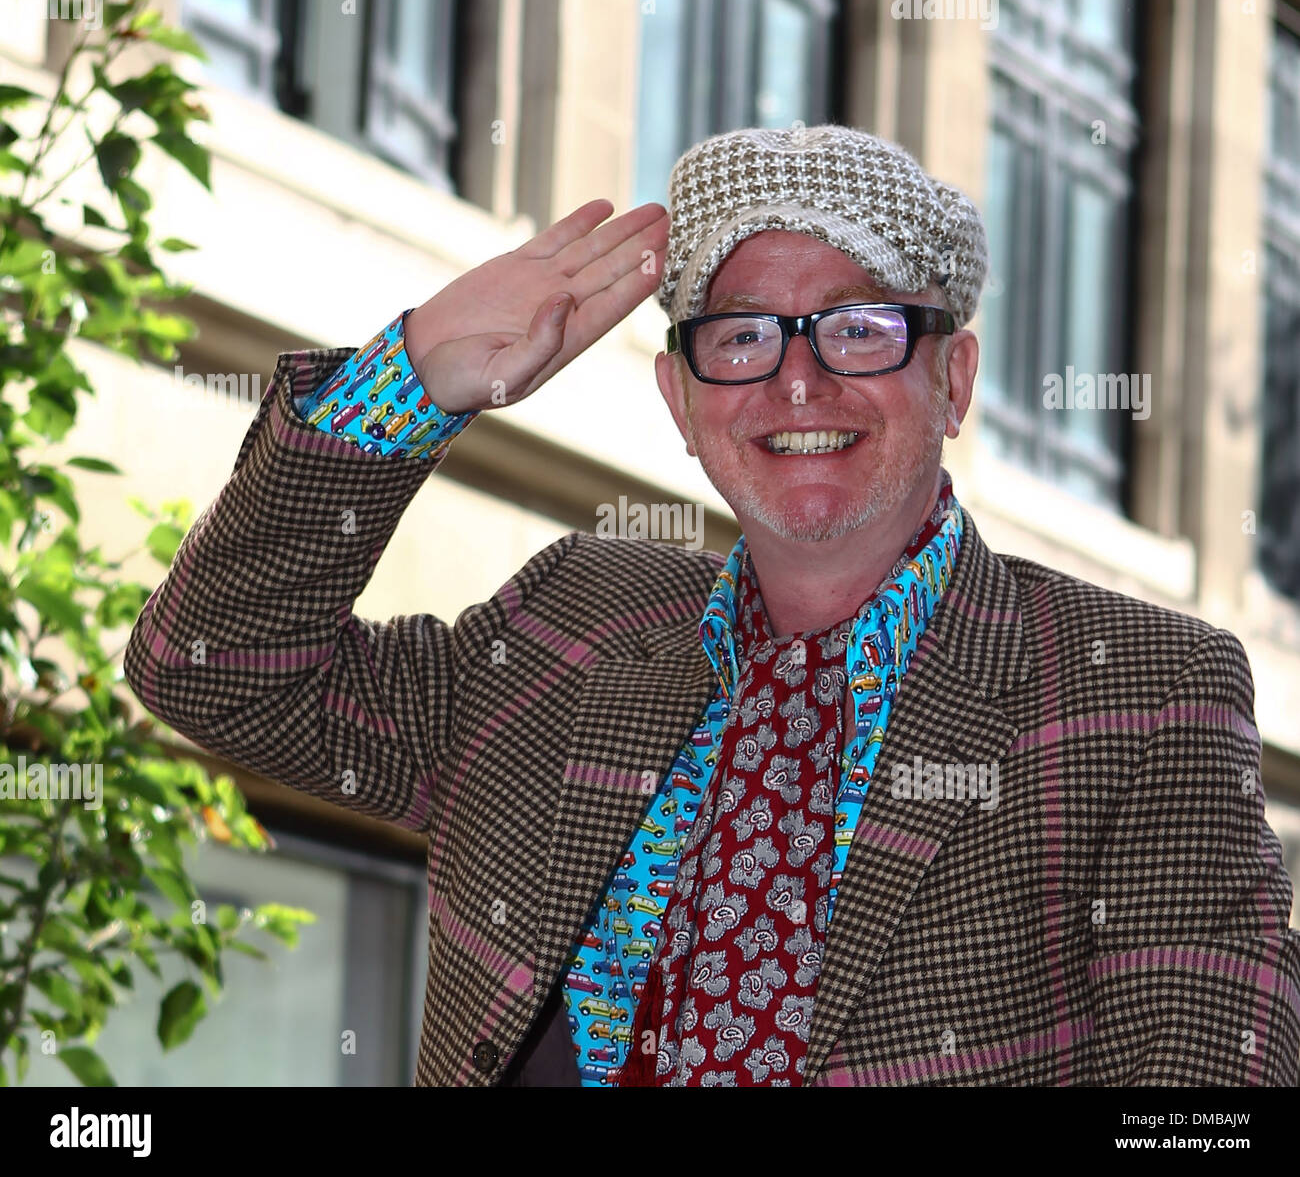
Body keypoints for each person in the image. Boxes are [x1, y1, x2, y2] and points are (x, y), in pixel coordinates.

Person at [124, 124, 1300, 1087]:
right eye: (739, 336)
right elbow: (211, 668)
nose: (797, 379)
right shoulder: (570, 618)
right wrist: (414, 377)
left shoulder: (1141, 694)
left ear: (952, 378)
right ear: (681, 407)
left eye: (858, 327)